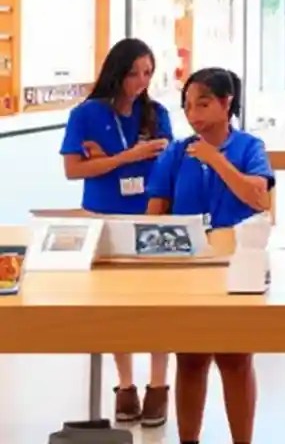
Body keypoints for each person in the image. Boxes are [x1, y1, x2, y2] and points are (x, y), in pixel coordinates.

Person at [146, 68, 274, 444]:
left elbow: (257, 196)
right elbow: (155, 210)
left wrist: (214, 159)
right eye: (187, 105)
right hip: (185, 267)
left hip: (237, 267)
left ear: (226, 103)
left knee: (235, 360)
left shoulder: (249, 147)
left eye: (203, 103)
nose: (193, 114)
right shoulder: (175, 151)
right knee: (189, 358)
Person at [59, 37, 173, 427]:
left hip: (151, 216)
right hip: (102, 217)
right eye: (133, 73)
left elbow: (168, 164)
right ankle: (126, 386)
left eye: (147, 73)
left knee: (159, 304)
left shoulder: (156, 113)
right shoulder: (86, 115)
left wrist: (106, 161)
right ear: (116, 72)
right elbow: (74, 169)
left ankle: (159, 386)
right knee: (114, 304)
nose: (141, 81)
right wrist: (128, 157)